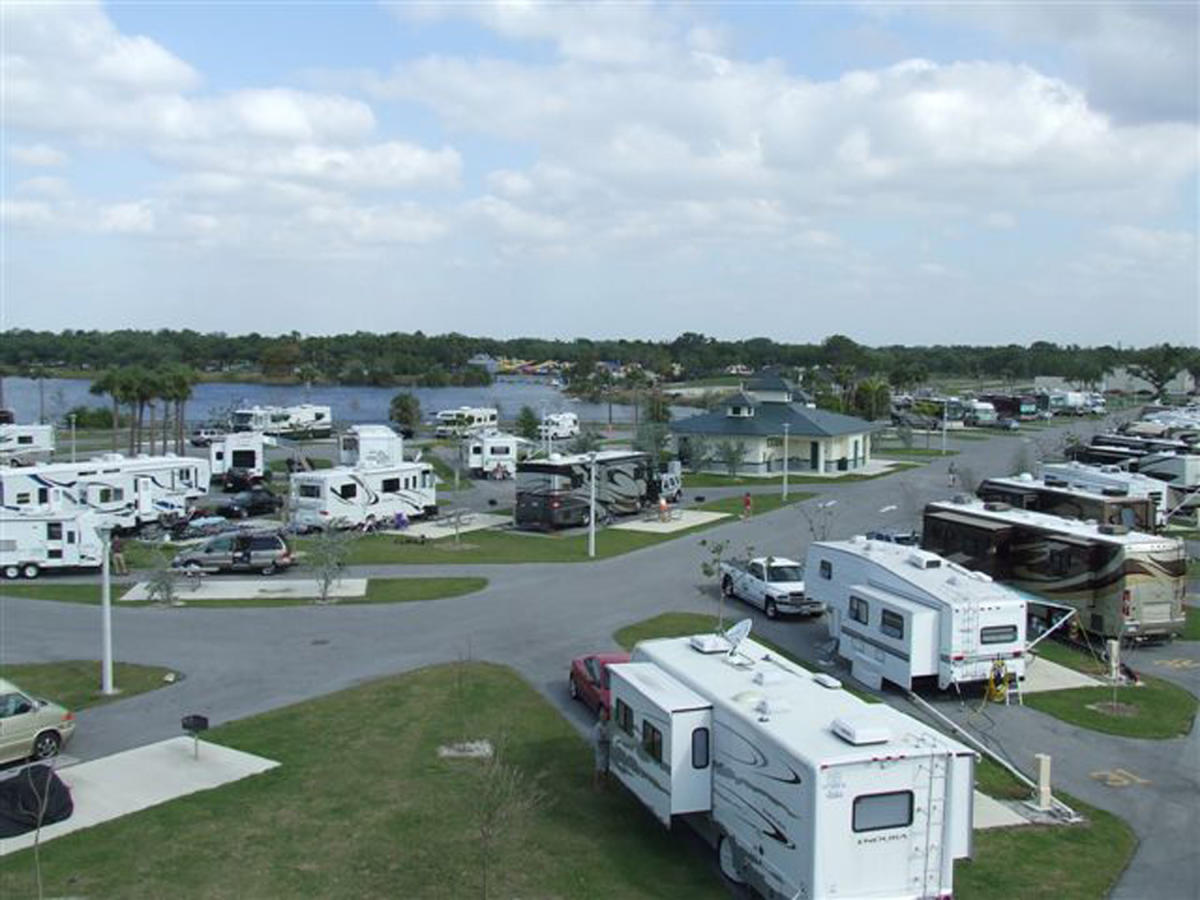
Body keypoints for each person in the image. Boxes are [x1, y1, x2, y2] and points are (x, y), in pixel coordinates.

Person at [592, 707, 612, 791]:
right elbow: (599, 740)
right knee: (599, 769)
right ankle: (596, 785)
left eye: (605, 715)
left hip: (606, 751)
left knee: (605, 768)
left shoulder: (607, 725)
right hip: (600, 751)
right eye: (602, 715)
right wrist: (606, 739)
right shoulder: (598, 727)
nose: (604, 716)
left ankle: (604, 785)